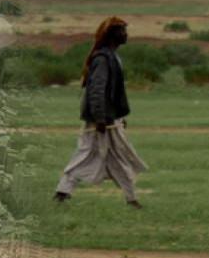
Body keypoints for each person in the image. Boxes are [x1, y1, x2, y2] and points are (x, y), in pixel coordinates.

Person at [54, 16, 148, 208]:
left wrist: (119, 116)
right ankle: (62, 192)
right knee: (85, 154)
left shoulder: (111, 57)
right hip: (101, 119)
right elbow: (96, 90)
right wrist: (99, 118)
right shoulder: (103, 59)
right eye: (122, 31)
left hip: (110, 118)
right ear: (113, 35)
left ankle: (132, 199)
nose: (126, 35)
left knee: (117, 157)